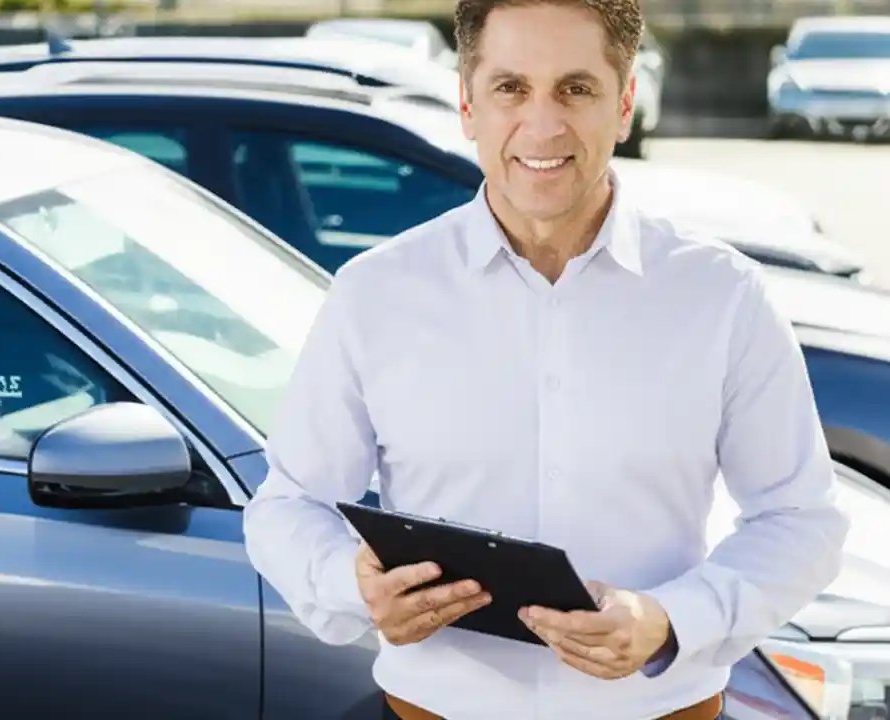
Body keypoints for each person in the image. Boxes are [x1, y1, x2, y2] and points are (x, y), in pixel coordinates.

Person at [242, 0, 850, 717]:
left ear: (625, 105)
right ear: (467, 105)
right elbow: (287, 507)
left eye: (576, 88)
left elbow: (802, 519)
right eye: (510, 89)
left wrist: (671, 618)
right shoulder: (375, 294)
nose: (542, 123)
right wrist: (354, 586)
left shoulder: (722, 295)